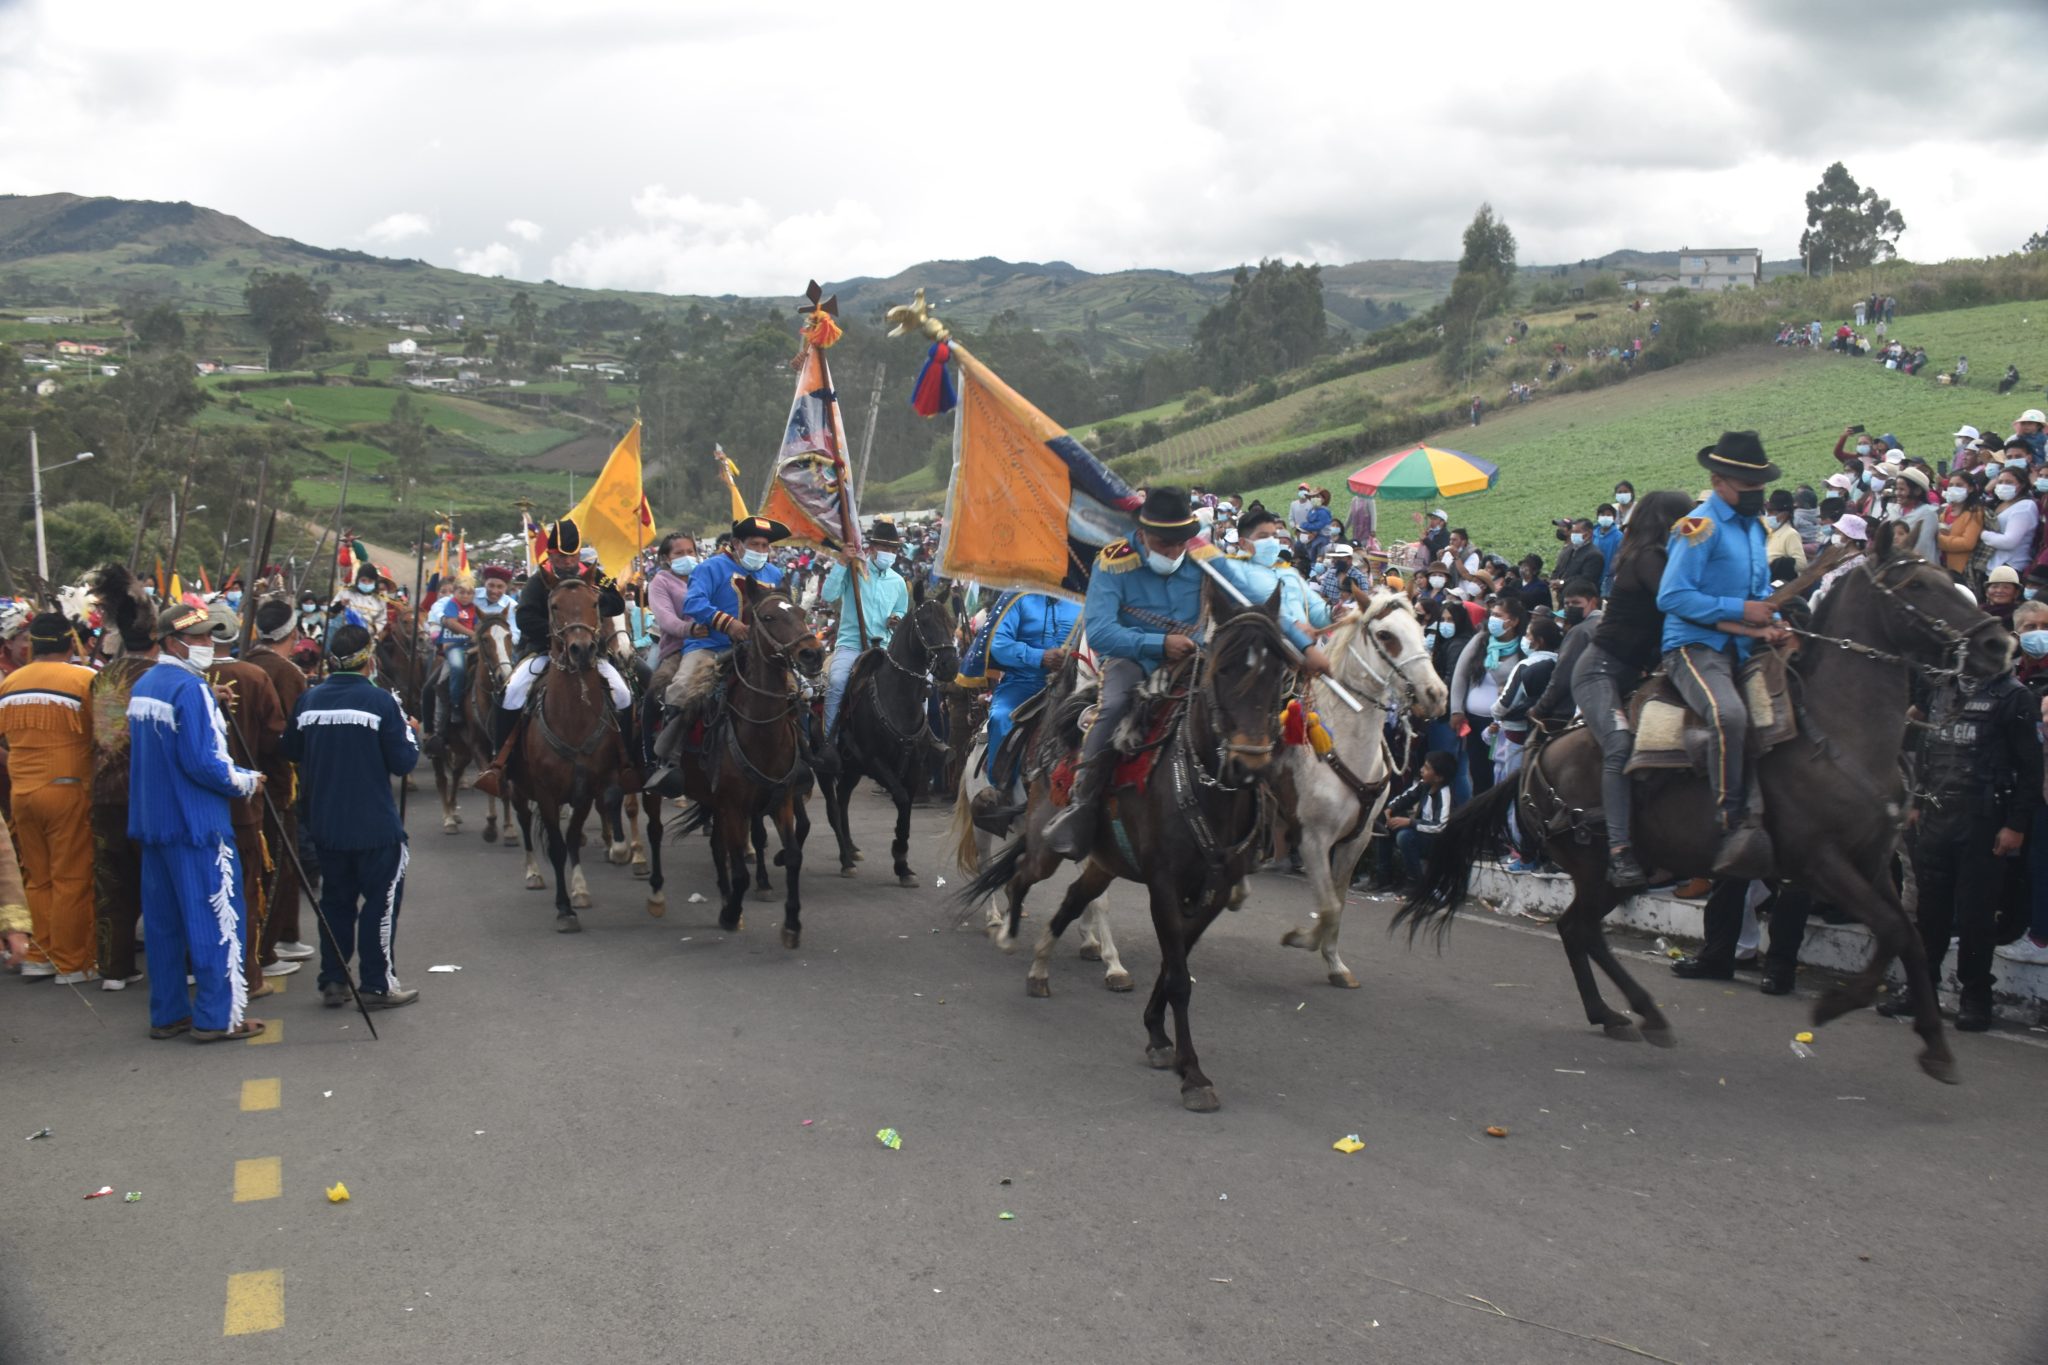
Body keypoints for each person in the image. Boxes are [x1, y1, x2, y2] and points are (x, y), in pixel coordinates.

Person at [1044, 487, 1260, 859]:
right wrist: (1159, 644)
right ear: (1142, 533)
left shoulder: (1203, 555)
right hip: (1131, 662)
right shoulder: (1112, 561)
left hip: (1194, 663)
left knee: (1244, 710)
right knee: (1111, 708)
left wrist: (1300, 639)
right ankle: (1082, 803)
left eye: (1180, 542)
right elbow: (1100, 632)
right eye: (1164, 543)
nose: (1174, 551)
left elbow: (1250, 599)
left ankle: (1258, 815)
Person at [1881, 648, 2042, 1031]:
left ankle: (1975, 998)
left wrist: (2015, 825)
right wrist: (1917, 803)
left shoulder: (2015, 696)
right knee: (1930, 913)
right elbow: (1926, 751)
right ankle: (1921, 991)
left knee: (1975, 915)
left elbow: (2031, 767)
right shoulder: (1942, 690)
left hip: (1985, 820)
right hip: (1937, 815)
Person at [128, 602, 266, 1042]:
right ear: (174, 642)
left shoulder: (148, 682)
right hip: (197, 823)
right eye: (202, 638)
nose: (210, 643)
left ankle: (168, 1012)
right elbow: (204, 763)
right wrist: (248, 780)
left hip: (154, 822)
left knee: (164, 926)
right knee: (217, 921)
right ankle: (218, 1016)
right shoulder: (190, 690)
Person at [1657, 431, 1784, 879]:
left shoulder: (1757, 527)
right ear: (1718, 480)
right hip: (1694, 647)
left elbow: (1759, 589)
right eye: (1749, 488)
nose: (1757, 495)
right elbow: (1671, 596)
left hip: (1746, 643)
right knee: (1728, 715)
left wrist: (1774, 612)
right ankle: (1730, 821)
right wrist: (1740, 610)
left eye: (1760, 487)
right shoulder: (1698, 527)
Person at [284, 624, 421, 1010]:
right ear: (369, 660)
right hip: (375, 827)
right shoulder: (381, 702)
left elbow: (291, 749)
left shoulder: (308, 701)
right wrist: (413, 733)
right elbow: (403, 761)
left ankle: (333, 979)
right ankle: (377, 984)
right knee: (380, 905)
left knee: (336, 902)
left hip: (325, 825)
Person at [474, 518, 635, 798]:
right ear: (551, 555)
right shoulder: (539, 580)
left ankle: (630, 762)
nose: (567, 562)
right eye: (560, 556)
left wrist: (593, 607)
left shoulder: (596, 575)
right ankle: (501, 764)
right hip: (545, 652)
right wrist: (558, 635)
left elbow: (617, 602)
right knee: (511, 692)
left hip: (590, 651)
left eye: (571, 556)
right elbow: (524, 618)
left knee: (624, 694)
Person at [646, 515, 793, 796]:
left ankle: (801, 755)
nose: (761, 551)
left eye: (765, 546)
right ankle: (669, 760)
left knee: (800, 692)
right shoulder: (710, 568)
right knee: (681, 689)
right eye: (755, 544)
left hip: (760, 653)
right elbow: (694, 602)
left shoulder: (774, 575)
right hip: (711, 647)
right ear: (737, 544)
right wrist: (729, 624)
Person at [0, 612, 97, 983]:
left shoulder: (10, 683)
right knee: (71, 877)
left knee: (37, 878)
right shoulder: (84, 678)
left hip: (22, 793)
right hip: (68, 789)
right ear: (71, 643)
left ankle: (40, 955)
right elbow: (111, 734)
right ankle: (71, 963)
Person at [242, 597, 314, 967]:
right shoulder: (287, 673)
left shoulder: (246, 663)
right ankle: (267, 950)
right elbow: (293, 728)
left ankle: (287, 934)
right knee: (277, 864)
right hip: (276, 779)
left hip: (249, 776)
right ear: (293, 633)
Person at [821, 518, 913, 736]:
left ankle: (915, 741)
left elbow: (901, 611)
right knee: (836, 682)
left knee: (918, 687)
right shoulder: (854, 570)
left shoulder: (899, 582)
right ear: (871, 548)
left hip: (886, 650)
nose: (888, 552)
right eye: (884, 547)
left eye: (892, 548)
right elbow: (827, 595)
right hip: (851, 647)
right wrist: (842, 563)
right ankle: (828, 741)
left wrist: (896, 619)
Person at [983, 590, 1080, 779]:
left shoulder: (1082, 602)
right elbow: (999, 645)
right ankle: (1001, 790)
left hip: (1071, 686)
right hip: (1021, 684)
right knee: (1001, 717)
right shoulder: (1017, 599)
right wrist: (1040, 657)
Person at [1448, 595, 1528, 797]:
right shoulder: (1481, 640)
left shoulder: (1523, 648)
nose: (1493, 619)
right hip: (1474, 722)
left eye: (1499, 616)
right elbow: (1460, 674)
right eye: (1492, 614)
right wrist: (1456, 710)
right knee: (1478, 773)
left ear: (1514, 621)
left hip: (1501, 727)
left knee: (1499, 775)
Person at [1380, 750, 1456, 890]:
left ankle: (1415, 882)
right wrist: (1390, 809)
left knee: (1405, 837)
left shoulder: (1445, 794)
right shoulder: (1424, 785)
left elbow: (1440, 826)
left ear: (1438, 777)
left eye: (1427, 768)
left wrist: (1410, 822)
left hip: (1437, 841)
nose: (1421, 770)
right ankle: (1383, 876)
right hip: (1421, 831)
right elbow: (1406, 797)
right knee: (1385, 823)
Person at [422, 574, 479, 755]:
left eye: (469, 593)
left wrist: (478, 637)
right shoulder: (450, 605)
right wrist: (472, 634)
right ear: (454, 593)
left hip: (471, 646)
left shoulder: (474, 608)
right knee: (456, 669)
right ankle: (453, 709)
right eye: (461, 592)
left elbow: (477, 626)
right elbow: (452, 623)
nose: (465, 596)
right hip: (453, 646)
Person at [1978, 464, 2038, 574]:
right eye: (2000, 482)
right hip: (1992, 567)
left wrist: (1981, 534)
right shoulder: (1999, 503)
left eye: (2009, 482)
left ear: (2022, 485)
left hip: (2011, 566)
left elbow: (2009, 542)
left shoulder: (2024, 506)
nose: (2003, 486)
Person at [1938, 473, 1986, 578]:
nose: (1953, 488)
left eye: (1959, 485)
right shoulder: (1946, 510)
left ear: (1970, 488)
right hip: (1942, 566)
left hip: (1961, 570)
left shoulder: (1975, 512)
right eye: (1951, 485)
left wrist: (1939, 540)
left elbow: (1967, 543)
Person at [1763, 489, 1807, 576]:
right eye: (1768, 512)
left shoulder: (1791, 534)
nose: (1768, 516)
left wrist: (1778, 564)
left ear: (1784, 514)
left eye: (1772, 512)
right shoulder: (1769, 532)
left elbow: (1801, 564)